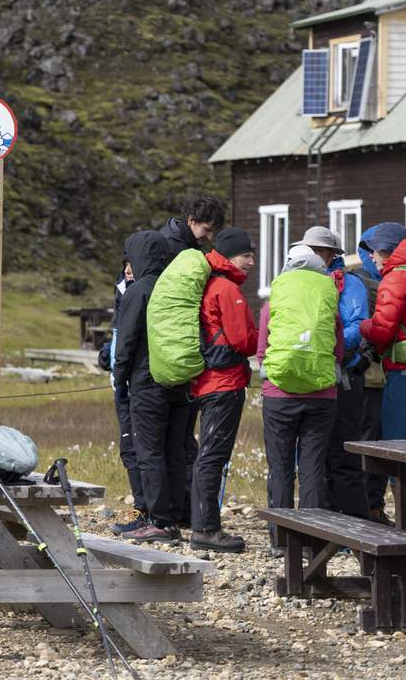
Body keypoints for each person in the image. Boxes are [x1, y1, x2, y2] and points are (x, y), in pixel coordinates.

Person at [258, 245, 342, 555]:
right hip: (322, 395)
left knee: (280, 467)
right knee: (312, 467)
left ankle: (281, 542)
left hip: (279, 395)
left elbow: (262, 350)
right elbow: (338, 349)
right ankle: (310, 543)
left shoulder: (275, 300)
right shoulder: (328, 298)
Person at [111, 230, 185, 543]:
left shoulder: (139, 290)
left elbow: (126, 342)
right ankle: (173, 515)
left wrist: (119, 378)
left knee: (149, 452)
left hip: (145, 381)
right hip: (179, 380)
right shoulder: (175, 286)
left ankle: (159, 521)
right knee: (174, 450)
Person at [188, 227, 257, 553]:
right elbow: (244, 340)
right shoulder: (227, 289)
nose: (252, 262)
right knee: (212, 456)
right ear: (229, 256)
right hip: (224, 383)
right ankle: (206, 529)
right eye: (246, 255)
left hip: (209, 382)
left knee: (208, 454)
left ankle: (203, 525)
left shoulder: (212, 283)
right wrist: (263, 336)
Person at [159, 194, 225, 526]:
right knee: (178, 440)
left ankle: (181, 507)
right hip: (173, 354)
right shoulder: (171, 250)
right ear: (191, 221)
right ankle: (179, 509)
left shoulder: (186, 247)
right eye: (206, 230)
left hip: (177, 353)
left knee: (181, 439)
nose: (209, 238)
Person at [299, 226, 371, 519]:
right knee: (316, 457)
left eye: (320, 251)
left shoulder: (350, 284)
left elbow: (358, 326)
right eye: (311, 250)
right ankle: (325, 523)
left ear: (332, 254)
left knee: (343, 454)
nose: (315, 255)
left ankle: (356, 524)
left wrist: (326, 343)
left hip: (343, 376)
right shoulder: (297, 281)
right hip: (310, 376)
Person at [352, 223, 406, 523]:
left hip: (383, 374)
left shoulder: (389, 280)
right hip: (373, 374)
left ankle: (374, 507)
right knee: (375, 443)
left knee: (382, 443)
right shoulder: (365, 281)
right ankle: (369, 508)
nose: (373, 256)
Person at [359, 229, 406, 445]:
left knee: (396, 447)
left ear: (388, 251)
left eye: (375, 250)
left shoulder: (396, 279)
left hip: (405, 374)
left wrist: (362, 326)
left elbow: (381, 331)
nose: (371, 256)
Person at [106, 259, 148, 536]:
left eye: (133, 266)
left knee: (140, 449)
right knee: (129, 448)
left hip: (135, 381)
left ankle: (145, 511)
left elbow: (131, 337)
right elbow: (118, 332)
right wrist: (108, 352)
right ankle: (141, 508)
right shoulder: (122, 288)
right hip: (121, 379)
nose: (128, 272)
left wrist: (120, 369)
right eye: (125, 267)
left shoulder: (143, 290)